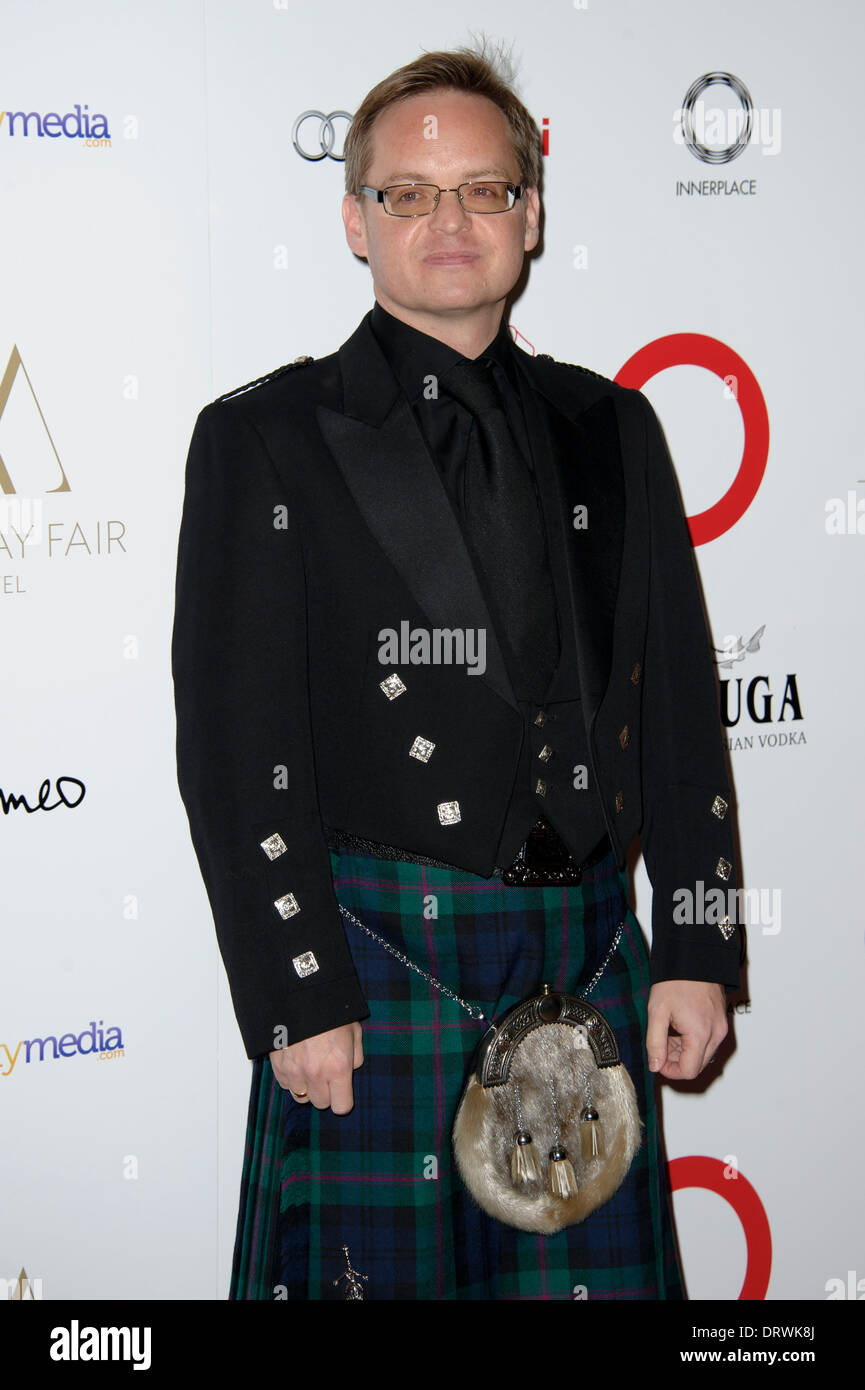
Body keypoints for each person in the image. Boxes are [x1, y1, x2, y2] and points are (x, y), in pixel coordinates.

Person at [172, 44, 741, 1301]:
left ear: (529, 213)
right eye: (408, 193)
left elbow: (685, 714)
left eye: (483, 189)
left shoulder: (615, 426)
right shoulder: (265, 438)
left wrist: (695, 942)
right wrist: (295, 988)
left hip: (588, 955)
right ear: (353, 219)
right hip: (379, 970)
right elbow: (236, 748)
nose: (449, 221)